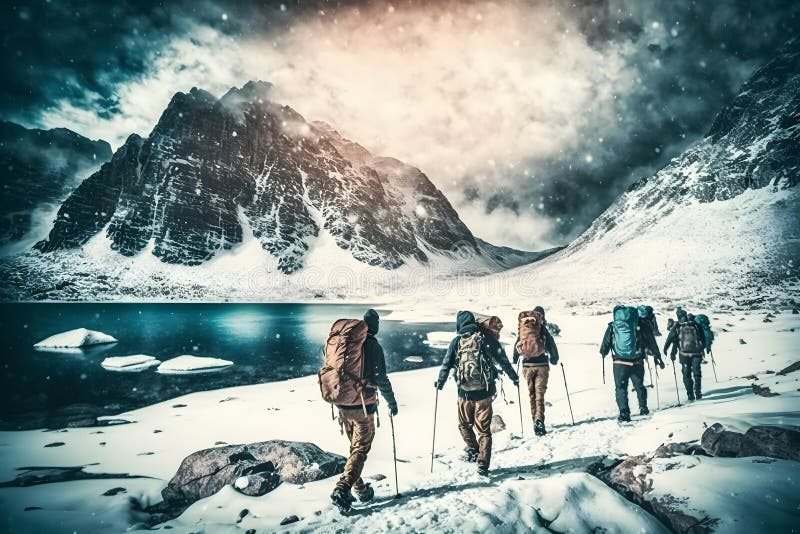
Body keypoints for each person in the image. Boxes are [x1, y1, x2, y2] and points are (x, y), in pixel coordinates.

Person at [330, 309, 398, 514]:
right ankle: (342, 489)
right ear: (374, 327)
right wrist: (392, 401)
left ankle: (360, 490)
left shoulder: (345, 344)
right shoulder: (373, 346)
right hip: (363, 406)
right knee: (360, 450)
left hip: (343, 406)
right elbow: (381, 378)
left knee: (354, 449)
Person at [435, 311, 519, 477]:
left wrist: (441, 382)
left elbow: (446, 364)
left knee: (464, 425)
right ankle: (482, 463)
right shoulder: (486, 339)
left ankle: (473, 449)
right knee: (484, 431)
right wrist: (514, 377)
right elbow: (503, 360)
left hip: (464, 393)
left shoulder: (457, 341)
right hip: (484, 393)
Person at [600, 305, 662, 422]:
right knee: (639, 385)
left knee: (621, 388)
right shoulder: (642, 326)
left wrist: (603, 352)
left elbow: (605, 345)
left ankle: (624, 413)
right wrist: (657, 355)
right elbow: (651, 341)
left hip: (619, 362)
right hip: (637, 361)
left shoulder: (613, 327)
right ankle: (643, 407)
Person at [512, 305, 560, 436]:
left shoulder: (525, 329)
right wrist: (554, 359)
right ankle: (539, 420)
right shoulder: (543, 330)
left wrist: (515, 359)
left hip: (527, 366)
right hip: (542, 365)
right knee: (540, 395)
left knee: (531, 394)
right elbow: (552, 347)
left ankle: (535, 420)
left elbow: (516, 347)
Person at [663, 311, 706, 400]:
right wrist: (702, 349)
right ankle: (698, 393)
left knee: (686, 374)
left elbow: (672, 339)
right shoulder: (695, 324)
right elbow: (703, 338)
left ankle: (690, 395)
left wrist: (666, 349)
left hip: (684, 354)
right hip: (696, 353)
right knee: (697, 373)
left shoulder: (677, 326)